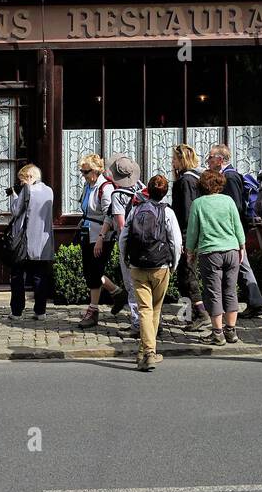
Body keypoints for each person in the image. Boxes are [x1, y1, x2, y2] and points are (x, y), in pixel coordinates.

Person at [123, 172, 183, 371]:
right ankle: (150, 352)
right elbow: (175, 241)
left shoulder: (136, 209)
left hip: (138, 265)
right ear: (165, 192)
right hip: (160, 265)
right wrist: (174, 263)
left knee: (144, 310)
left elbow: (124, 236)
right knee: (154, 310)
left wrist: (125, 258)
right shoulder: (167, 212)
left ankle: (145, 351)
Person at [206, 143, 262, 319]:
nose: (208, 161)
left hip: (233, 230)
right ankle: (254, 302)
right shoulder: (227, 175)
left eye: (210, 158)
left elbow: (235, 206)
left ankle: (256, 303)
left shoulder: (230, 177)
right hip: (233, 230)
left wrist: (232, 229)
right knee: (241, 264)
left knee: (242, 264)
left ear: (219, 159)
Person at [186, 169, 246, 346]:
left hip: (210, 252)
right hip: (231, 250)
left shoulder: (198, 204)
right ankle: (231, 331)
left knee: (213, 292)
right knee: (230, 290)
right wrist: (242, 246)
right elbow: (237, 225)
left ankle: (217, 333)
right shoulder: (228, 201)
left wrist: (190, 251)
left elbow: (193, 231)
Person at [77, 153, 123, 329]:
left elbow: (109, 215)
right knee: (90, 272)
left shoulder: (105, 188)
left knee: (95, 273)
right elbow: (86, 208)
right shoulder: (88, 185)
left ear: (96, 171)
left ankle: (93, 311)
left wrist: (101, 239)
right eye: (82, 171)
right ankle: (116, 292)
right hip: (87, 232)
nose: (84, 175)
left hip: (100, 235)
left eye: (86, 171)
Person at [97, 155, 143, 334]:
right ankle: (154, 323)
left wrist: (124, 251)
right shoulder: (143, 188)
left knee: (132, 285)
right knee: (147, 287)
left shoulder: (118, 195)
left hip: (130, 246)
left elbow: (121, 226)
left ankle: (137, 325)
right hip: (149, 245)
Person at [8, 163, 55, 320]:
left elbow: (16, 210)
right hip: (43, 243)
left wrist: (14, 194)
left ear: (29, 177)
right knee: (40, 278)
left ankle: (16, 312)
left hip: (25, 243)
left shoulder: (28, 191)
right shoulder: (49, 190)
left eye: (22, 180)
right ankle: (40, 311)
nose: (21, 184)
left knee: (18, 277)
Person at [170, 144, 210, 331]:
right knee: (183, 274)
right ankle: (187, 314)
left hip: (186, 233)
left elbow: (186, 211)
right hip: (192, 232)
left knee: (187, 274)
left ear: (182, 160)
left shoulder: (186, 181)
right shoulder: (195, 178)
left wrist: (182, 236)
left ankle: (200, 312)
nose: (172, 162)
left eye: (175, 159)